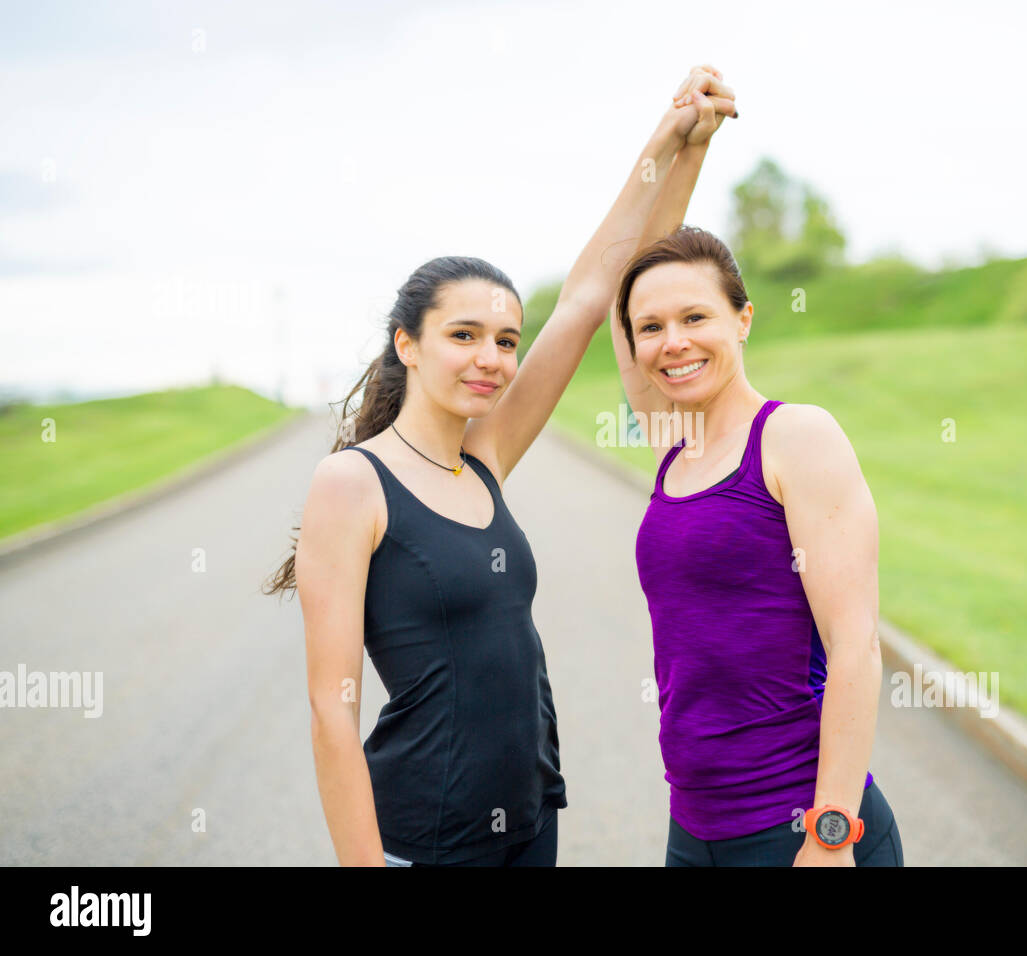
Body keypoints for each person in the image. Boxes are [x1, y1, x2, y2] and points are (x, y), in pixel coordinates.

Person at [263, 66, 738, 866]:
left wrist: (677, 143)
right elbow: (329, 708)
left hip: (528, 817)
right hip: (429, 838)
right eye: (464, 335)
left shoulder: (481, 459)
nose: (491, 358)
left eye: (507, 340)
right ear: (406, 344)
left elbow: (592, 293)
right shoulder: (353, 484)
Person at [609, 223, 903, 866]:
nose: (674, 341)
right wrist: (676, 146)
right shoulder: (674, 447)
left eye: (695, 316)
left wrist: (830, 838)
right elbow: (613, 289)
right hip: (693, 831)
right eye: (650, 327)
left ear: (743, 319)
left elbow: (857, 648)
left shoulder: (796, 437)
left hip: (798, 827)